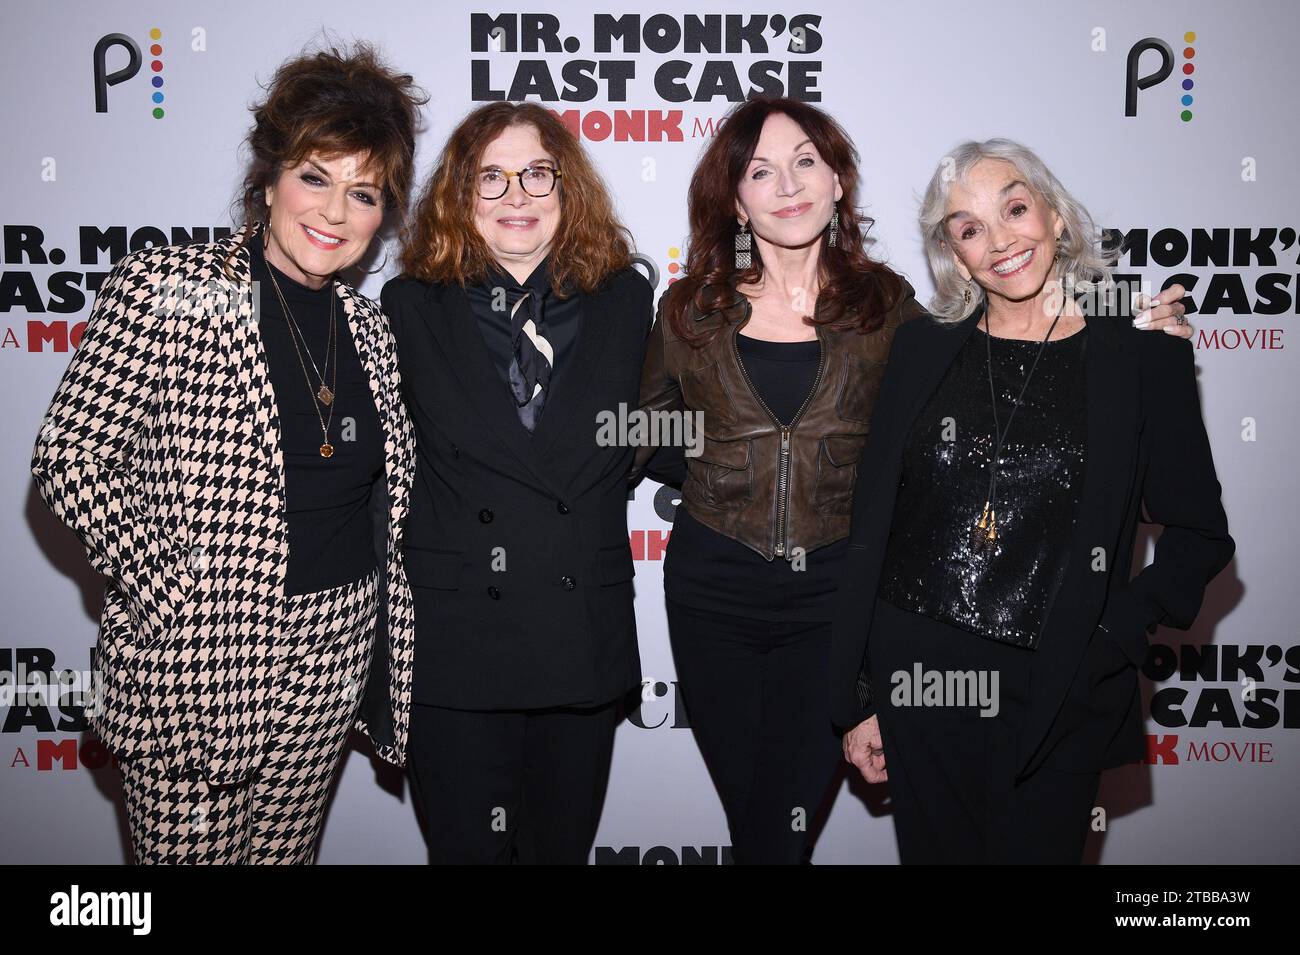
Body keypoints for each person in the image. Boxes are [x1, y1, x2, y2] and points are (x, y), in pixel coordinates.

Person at [632, 99, 1193, 864]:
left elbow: (1000, 340)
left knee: (781, 826)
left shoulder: (889, 306)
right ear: (735, 198)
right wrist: (727, 465)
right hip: (712, 589)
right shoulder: (691, 306)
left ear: (837, 183)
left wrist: (1128, 315)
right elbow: (653, 429)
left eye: (805, 162)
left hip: (834, 593)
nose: (787, 184)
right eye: (759, 171)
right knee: (752, 815)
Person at [30, 43, 426, 864]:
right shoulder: (172, 287)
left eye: (363, 192)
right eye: (315, 177)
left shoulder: (372, 333)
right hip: (195, 656)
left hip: (332, 648)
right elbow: (69, 458)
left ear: (382, 214)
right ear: (271, 178)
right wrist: (174, 586)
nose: (334, 212)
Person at [833, 139, 1233, 863]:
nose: (1000, 240)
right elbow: (876, 529)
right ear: (953, 252)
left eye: (1014, 208)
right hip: (919, 673)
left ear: (1053, 215)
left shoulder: (1140, 353)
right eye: (969, 227)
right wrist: (861, 694)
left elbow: (1201, 533)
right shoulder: (922, 349)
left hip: (1059, 685)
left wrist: (1113, 635)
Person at [382, 102, 652, 864]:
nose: (516, 195)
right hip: (457, 646)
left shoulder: (626, 300)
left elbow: (665, 426)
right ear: (460, 195)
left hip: (580, 642)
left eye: (537, 173)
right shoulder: (409, 306)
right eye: (490, 177)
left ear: (568, 187)